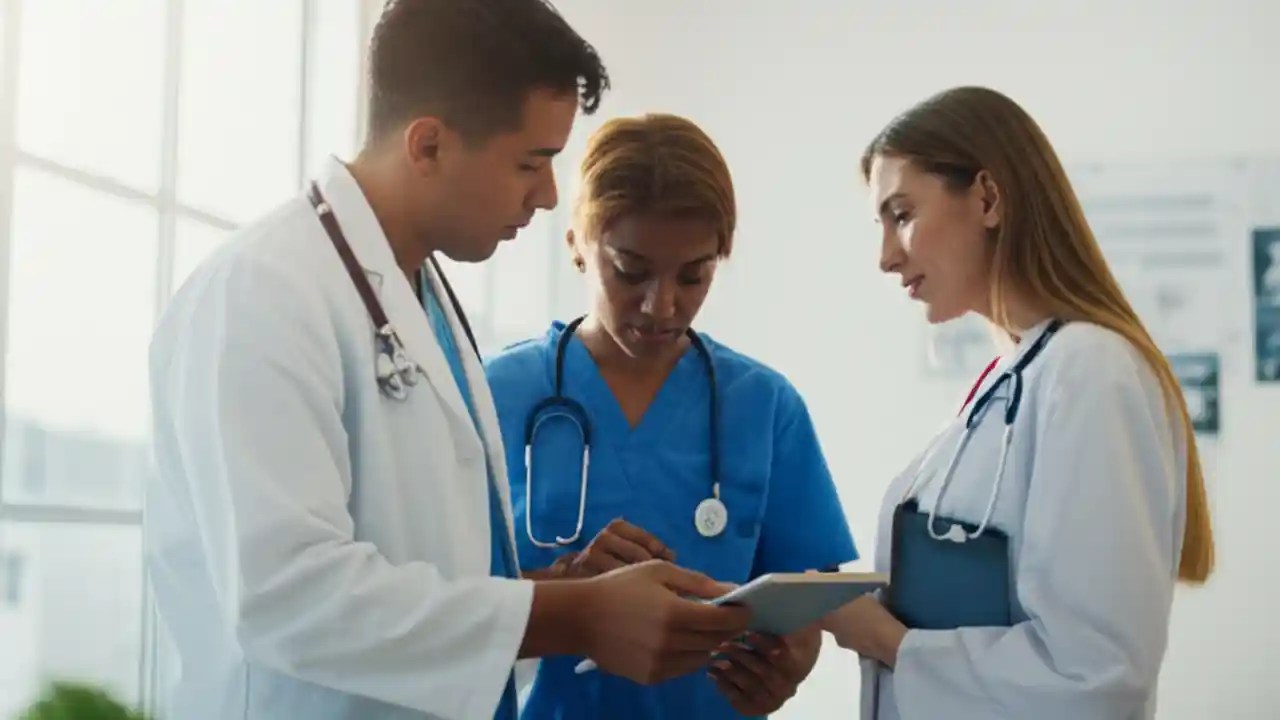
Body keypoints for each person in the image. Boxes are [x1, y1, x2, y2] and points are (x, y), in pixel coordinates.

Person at [144, 3, 751, 719]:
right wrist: (575, 615)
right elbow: (287, 593)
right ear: (428, 145)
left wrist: (552, 590)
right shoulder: (262, 295)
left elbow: (418, 571)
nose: (550, 195)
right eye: (532, 162)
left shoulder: (416, 293)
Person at [818, 86, 1216, 720]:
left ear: (987, 198)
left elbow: (1097, 677)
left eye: (902, 214)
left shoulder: (1091, 371)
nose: (886, 257)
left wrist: (881, 637)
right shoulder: (1014, 375)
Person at [484, 113, 859, 719]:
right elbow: (437, 600)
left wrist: (788, 666)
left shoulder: (764, 406)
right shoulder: (493, 394)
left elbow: (803, 606)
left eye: (695, 275)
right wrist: (567, 587)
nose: (663, 305)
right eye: (630, 272)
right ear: (577, 244)